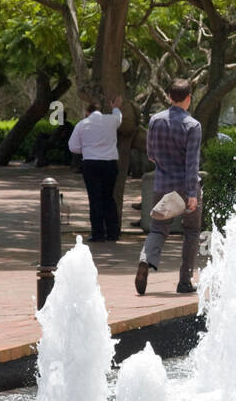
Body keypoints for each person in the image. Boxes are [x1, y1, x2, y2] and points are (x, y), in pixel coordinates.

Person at [136, 79, 202, 296]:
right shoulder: (192, 125)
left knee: (158, 229)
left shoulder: (155, 120)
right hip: (185, 188)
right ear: (188, 98)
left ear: (169, 97)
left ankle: (146, 260)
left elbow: (151, 154)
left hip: (161, 185)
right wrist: (192, 194)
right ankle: (184, 281)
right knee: (191, 232)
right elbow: (192, 163)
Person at [68, 93, 124, 242]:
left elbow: (73, 147)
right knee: (109, 198)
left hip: (91, 163)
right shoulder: (111, 120)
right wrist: (115, 108)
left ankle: (98, 233)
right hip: (110, 163)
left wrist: (86, 148)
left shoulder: (82, 124)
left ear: (87, 112)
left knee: (94, 198)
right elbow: (118, 118)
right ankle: (113, 233)